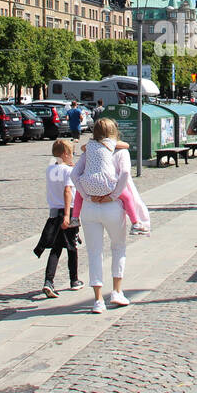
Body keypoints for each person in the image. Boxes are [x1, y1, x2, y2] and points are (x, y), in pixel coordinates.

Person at [70, 117, 132, 313]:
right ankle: (116, 291)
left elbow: (74, 175)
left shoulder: (90, 151)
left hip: (90, 207)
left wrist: (86, 194)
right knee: (118, 247)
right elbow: (125, 174)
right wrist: (113, 194)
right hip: (111, 205)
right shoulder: (120, 151)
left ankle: (97, 300)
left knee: (94, 252)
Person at [35, 139, 82, 298]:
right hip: (67, 211)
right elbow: (67, 191)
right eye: (71, 154)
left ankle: (49, 281)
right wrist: (68, 216)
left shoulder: (50, 169)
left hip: (53, 213)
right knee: (72, 247)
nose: (72, 157)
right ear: (65, 154)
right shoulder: (68, 171)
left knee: (56, 248)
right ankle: (74, 280)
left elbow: (61, 171)